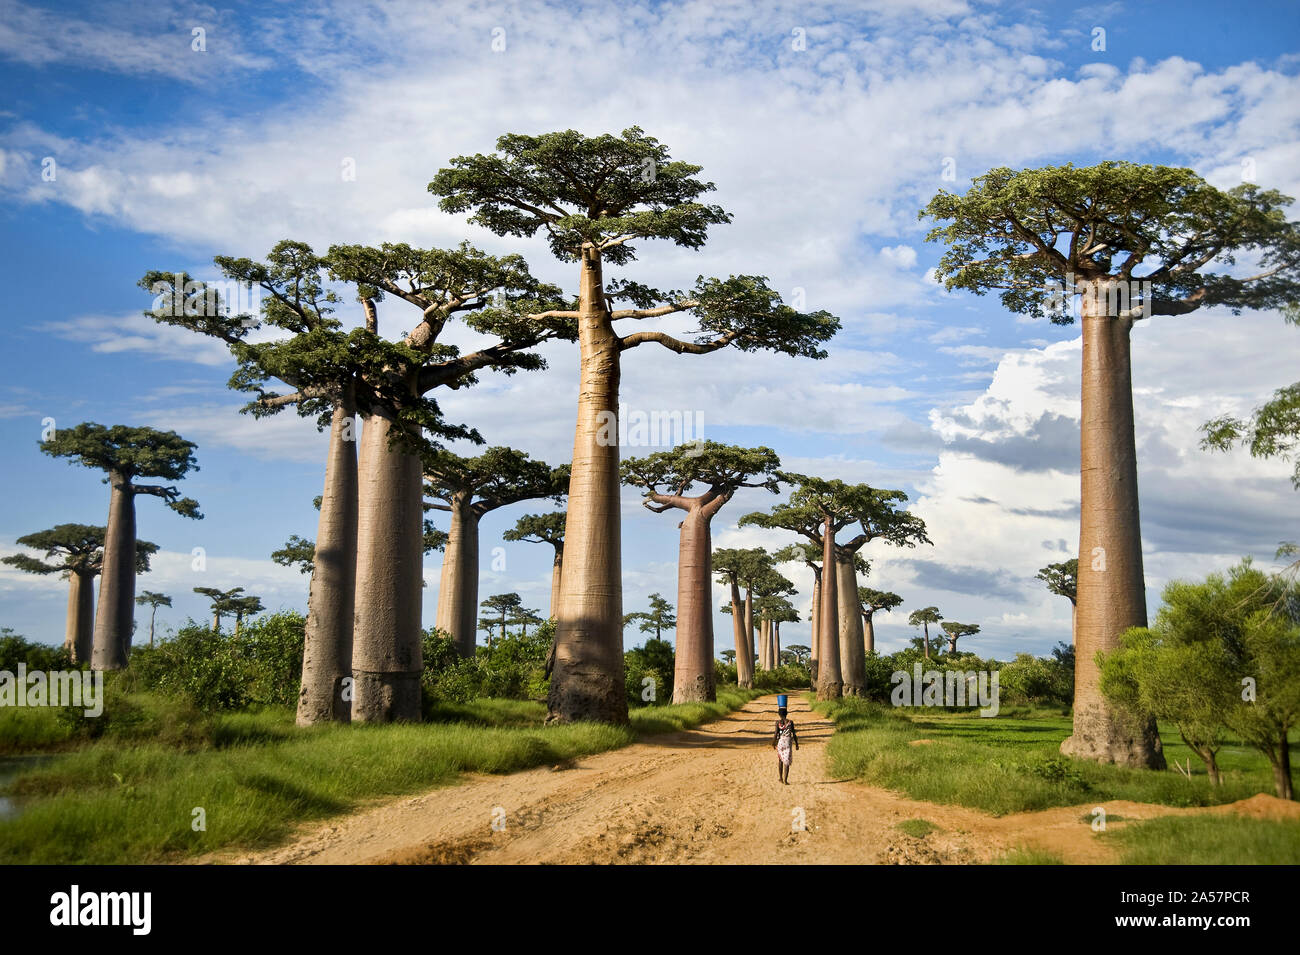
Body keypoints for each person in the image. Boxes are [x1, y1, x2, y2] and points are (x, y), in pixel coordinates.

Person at [772, 707, 799, 784]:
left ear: (779, 714)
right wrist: (796, 744)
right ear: (787, 714)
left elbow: (775, 734)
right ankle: (785, 780)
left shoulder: (777, 723)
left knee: (780, 760)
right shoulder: (790, 722)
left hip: (780, 742)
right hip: (788, 742)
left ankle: (780, 778)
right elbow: (794, 734)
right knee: (786, 762)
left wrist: (773, 743)